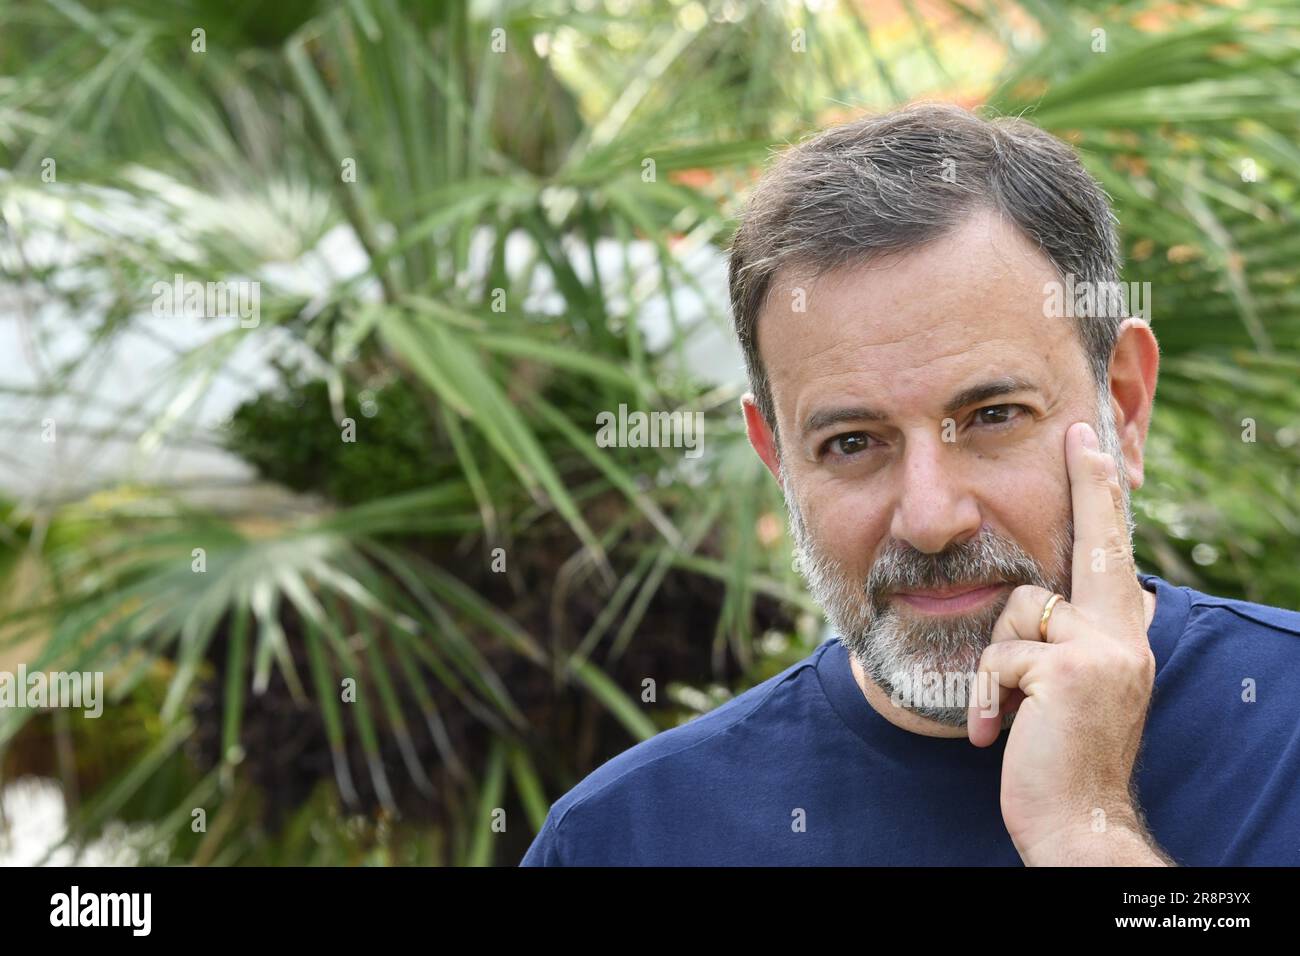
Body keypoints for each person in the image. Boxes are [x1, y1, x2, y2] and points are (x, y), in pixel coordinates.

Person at [520, 103, 1300, 866]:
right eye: (852, 442)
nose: (930, 519)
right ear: (778, 460)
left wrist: (1083, 835)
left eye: (994, 416)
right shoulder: (626, 838)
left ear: (1123, 406)